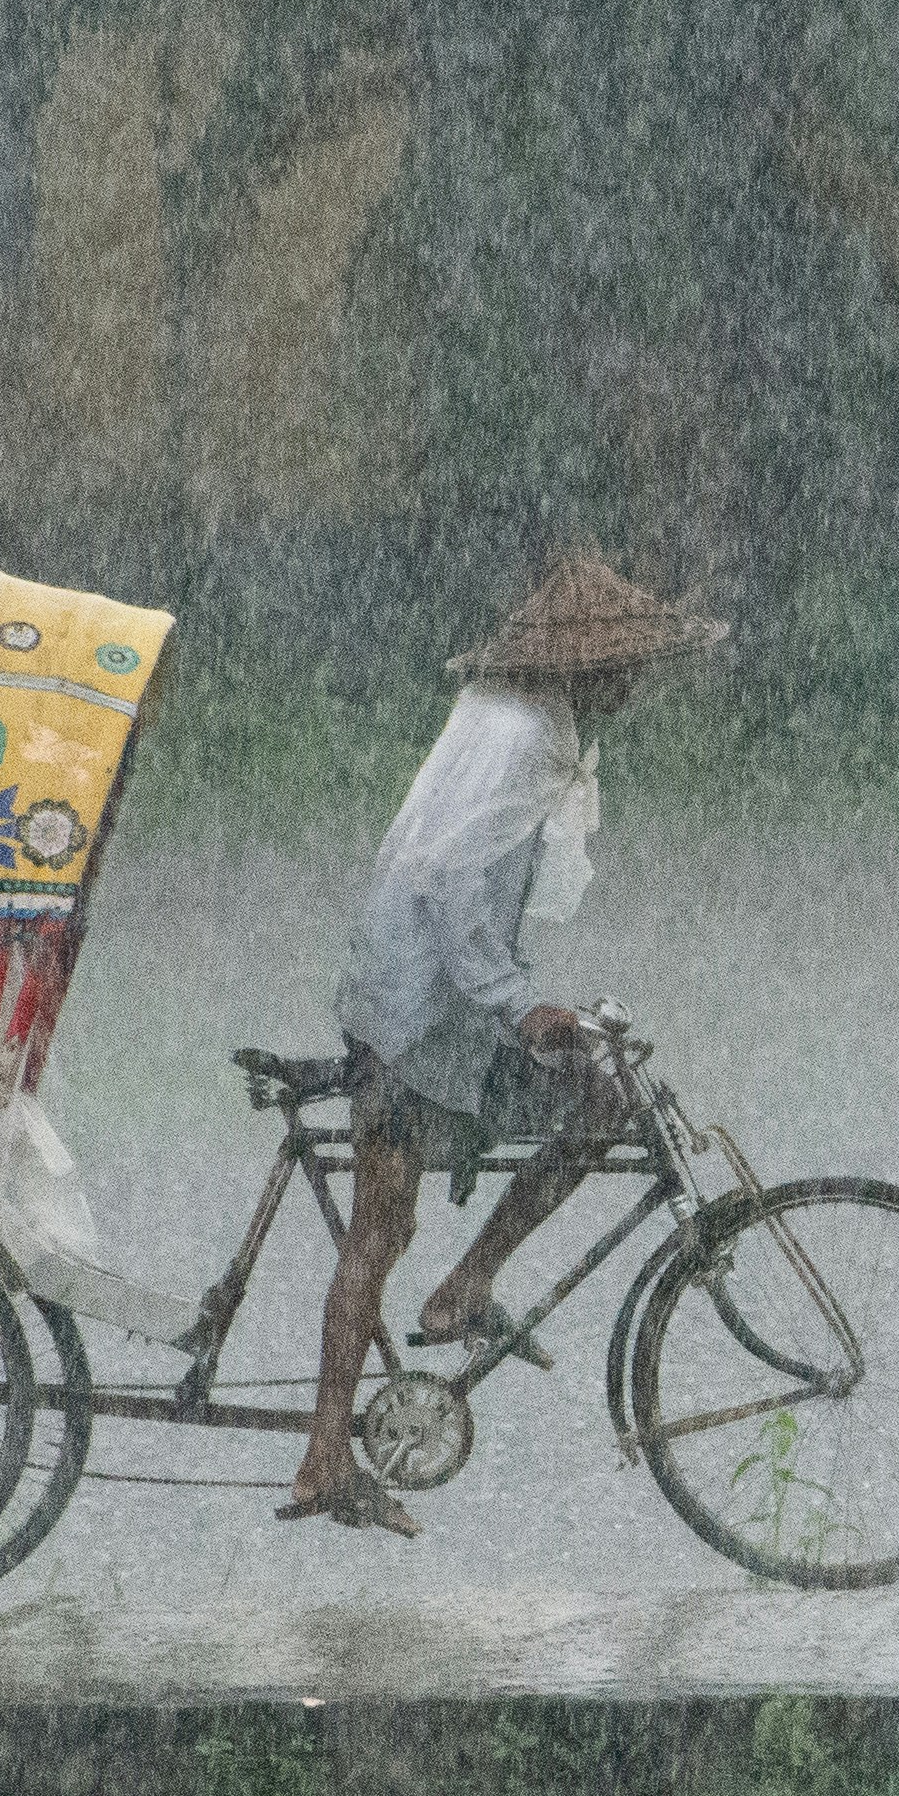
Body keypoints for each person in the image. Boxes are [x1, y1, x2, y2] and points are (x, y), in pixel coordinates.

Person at [286, 550, 728, 1530]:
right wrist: (518, 1002)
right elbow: (446, 873)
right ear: (588, 667)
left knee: (602, 1095)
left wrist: (515, 1000)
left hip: (427, 1000)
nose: (636, 686)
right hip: (415, 1010)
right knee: (380, 1226)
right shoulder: (526, 735)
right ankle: (326, 1450)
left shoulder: (517, 717)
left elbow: (473, 873)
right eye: (628, 668)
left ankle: (468, 1284)